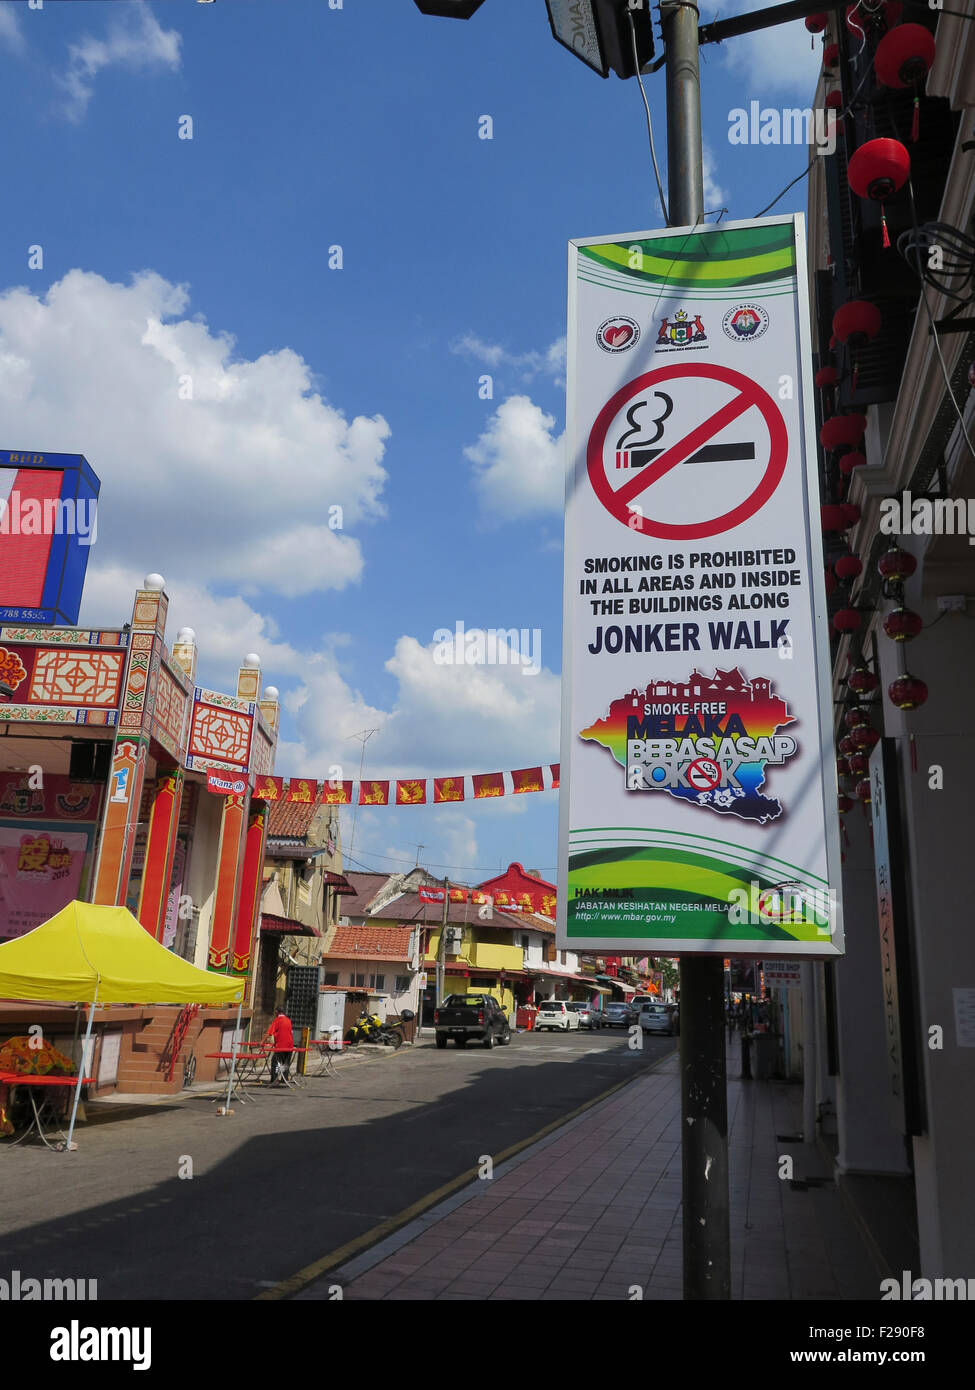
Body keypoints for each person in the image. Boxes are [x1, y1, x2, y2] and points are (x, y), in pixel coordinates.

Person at [264, 1008, 294, 1085]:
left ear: (277, 1011)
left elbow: (269, 1033)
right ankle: (285, 1078)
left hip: (281, 1045)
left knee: (275, 1061)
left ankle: (274, 1079)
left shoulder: (277, 1020)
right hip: (290, 1045)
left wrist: (261, 1041)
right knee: (285, 1062)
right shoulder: (288, 1020)